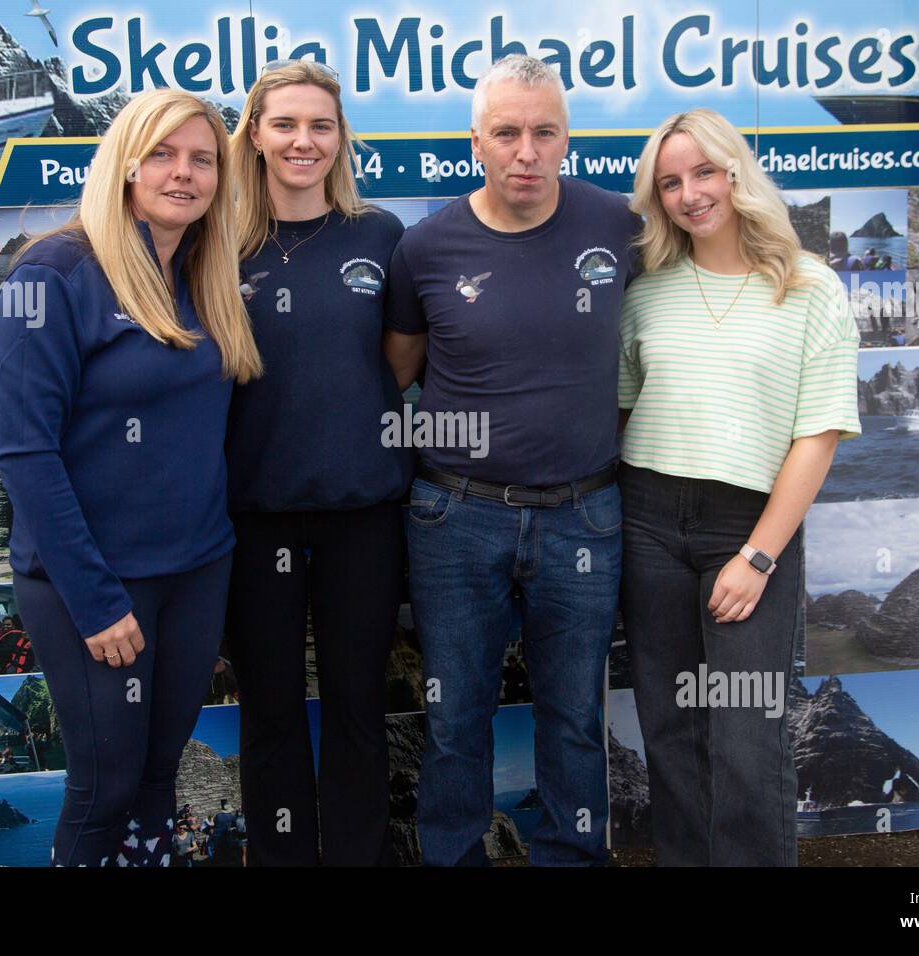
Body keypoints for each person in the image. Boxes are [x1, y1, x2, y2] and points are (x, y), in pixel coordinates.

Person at [0, 87, 261, 868]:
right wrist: (99, 601)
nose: (185, 173)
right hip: (96, 586)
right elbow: (25, 453)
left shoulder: (205, 274)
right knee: (105, 789)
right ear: (125, 163)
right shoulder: (52, 275)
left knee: (155, 779)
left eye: (203, 159)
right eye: (164, 154)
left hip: (195, 572)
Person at [383, 54, 642, 866]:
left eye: (543, 132)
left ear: (568, 140)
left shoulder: (619, 226)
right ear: (476, 144)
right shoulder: (424, 248)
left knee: (574, 717)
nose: (525, 150)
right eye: (506, 133)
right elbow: (399, 370)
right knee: (456, 716)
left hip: (586, 514)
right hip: (456, 517)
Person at [617, 108, 861, 866]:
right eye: (670, 182)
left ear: (736, 174)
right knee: (671, 728)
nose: (690, 193)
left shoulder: (810, 287)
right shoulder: (644, 288)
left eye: (704, 172)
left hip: (751, 528)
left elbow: (817, 436)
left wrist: (757, 557)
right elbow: (627, 407)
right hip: (648, 517)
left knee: (747, 736)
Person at [224, 59, 409, 867]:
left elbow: (399, 361)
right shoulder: (215, 241)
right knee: (268, 710)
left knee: (359, 707)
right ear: (257, 136)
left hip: (364, 514)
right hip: (252, 515)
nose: (305, 141)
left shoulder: (381, 234)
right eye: (286, 124)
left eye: (321, 126)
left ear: (341, 140)